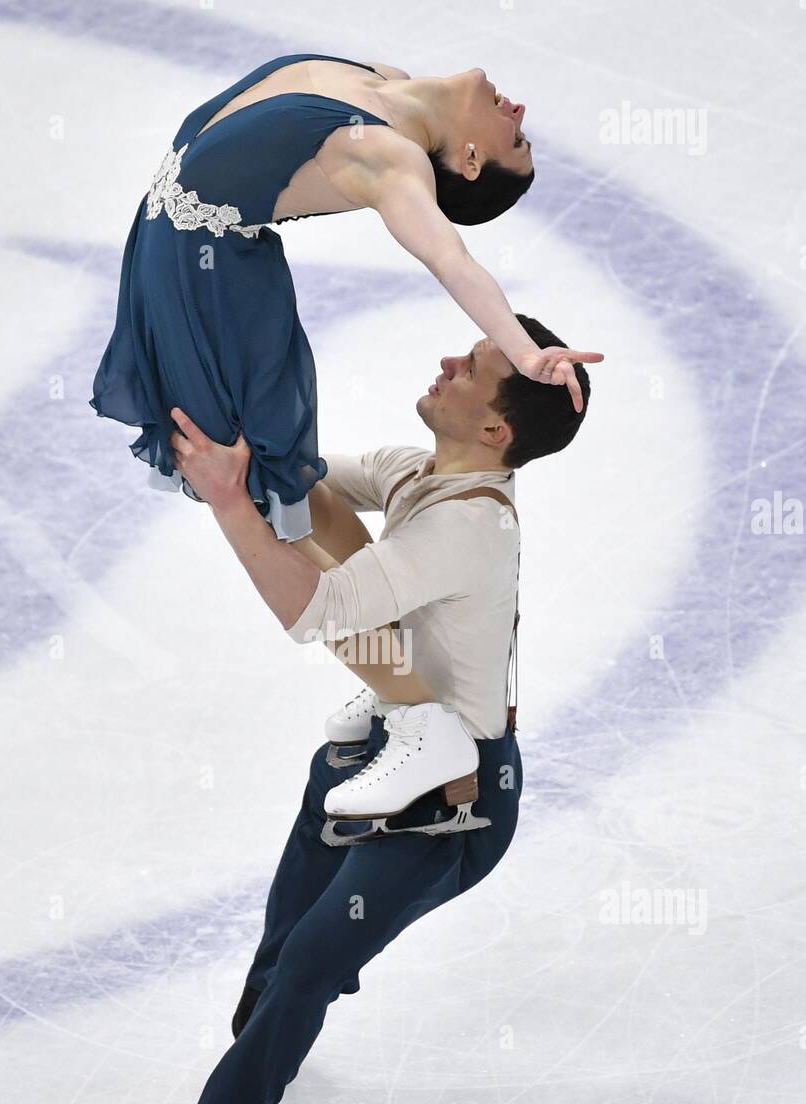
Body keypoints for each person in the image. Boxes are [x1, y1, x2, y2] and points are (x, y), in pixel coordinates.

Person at [170, 317, 592, 1104]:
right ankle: (275, 999)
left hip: (457, 800)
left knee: (316, 958)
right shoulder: (420, 470)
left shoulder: (467, 529)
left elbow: (320, 607)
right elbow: (309, 475)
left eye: (473, 367)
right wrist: (238, 405)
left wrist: (231, 508)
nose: (447, 357)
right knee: (288, 924)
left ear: (496, 432)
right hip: (388, 738)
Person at [91, 54, 603, 811]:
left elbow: (448, 256)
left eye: (514, 141)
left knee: (264, 498)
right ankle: (399, 680)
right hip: (183, 266)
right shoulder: (383, 80)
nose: (519, 112)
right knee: (292, 485)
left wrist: (525, 354)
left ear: (466, 162)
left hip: (213, 299)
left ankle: (426, 722)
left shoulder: (389, 159)